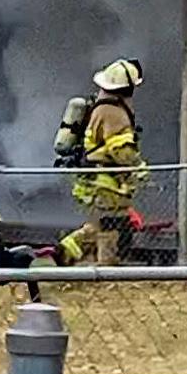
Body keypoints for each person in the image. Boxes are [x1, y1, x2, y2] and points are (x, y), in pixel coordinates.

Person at [56, 58, 147, 266]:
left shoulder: (102, 107)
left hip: (97, 180)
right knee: (109, 226)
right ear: (128, 87)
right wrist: (139, 169)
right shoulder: (114, 113)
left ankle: (66, 257)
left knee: (104, 226)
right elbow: (121, 151)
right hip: (106, 183)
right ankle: (66, 257)